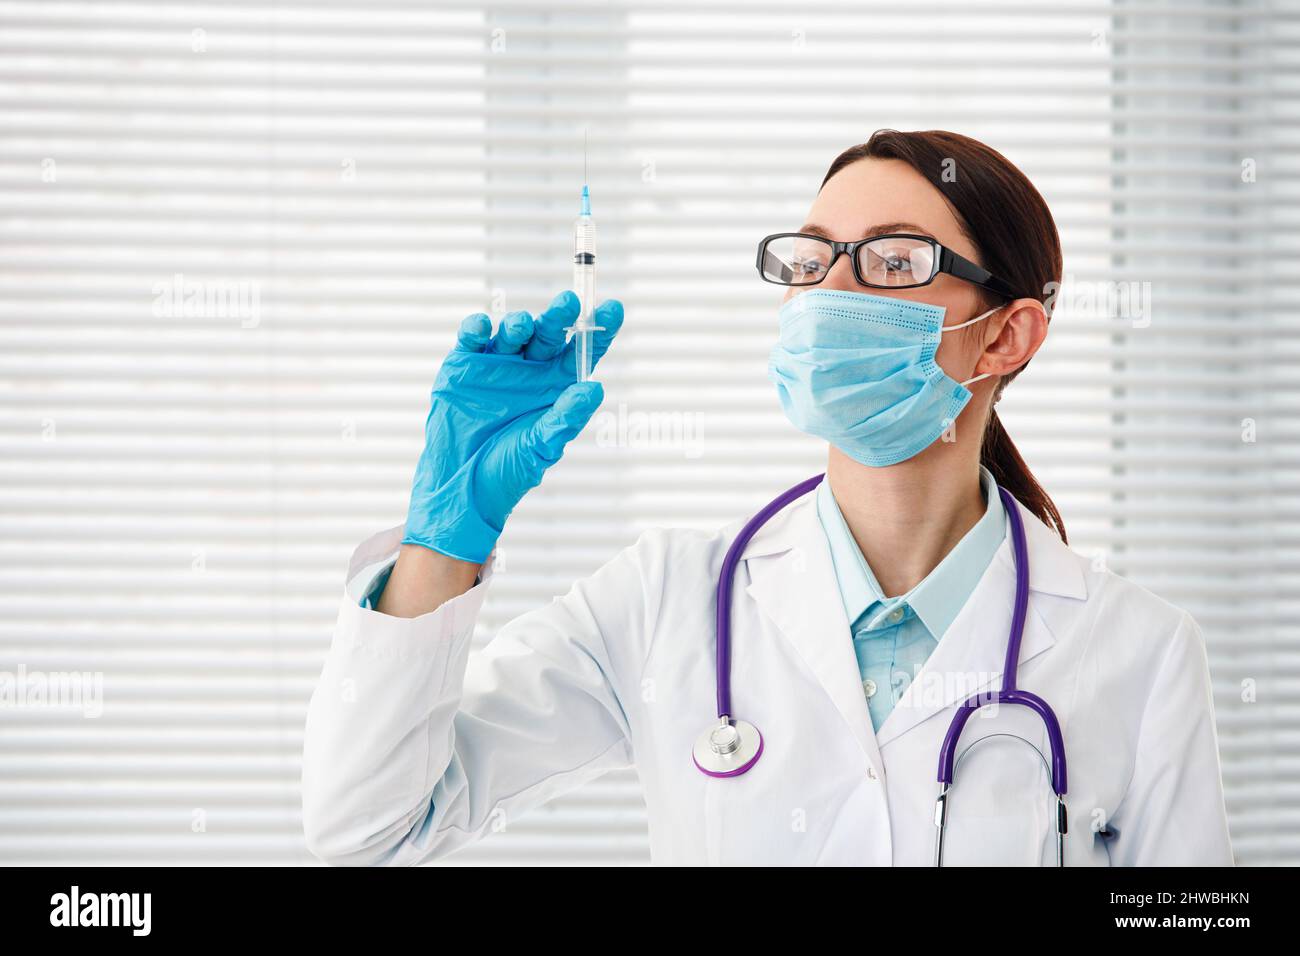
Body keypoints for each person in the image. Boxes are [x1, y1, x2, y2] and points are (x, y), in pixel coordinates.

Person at [301, 129, 1233, 866]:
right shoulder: (667, 602)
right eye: (811, 258)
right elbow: (370, 825)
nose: (829, 291)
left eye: (893, 262)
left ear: (1006, 338)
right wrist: (445, 535)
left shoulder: (1140, 654)